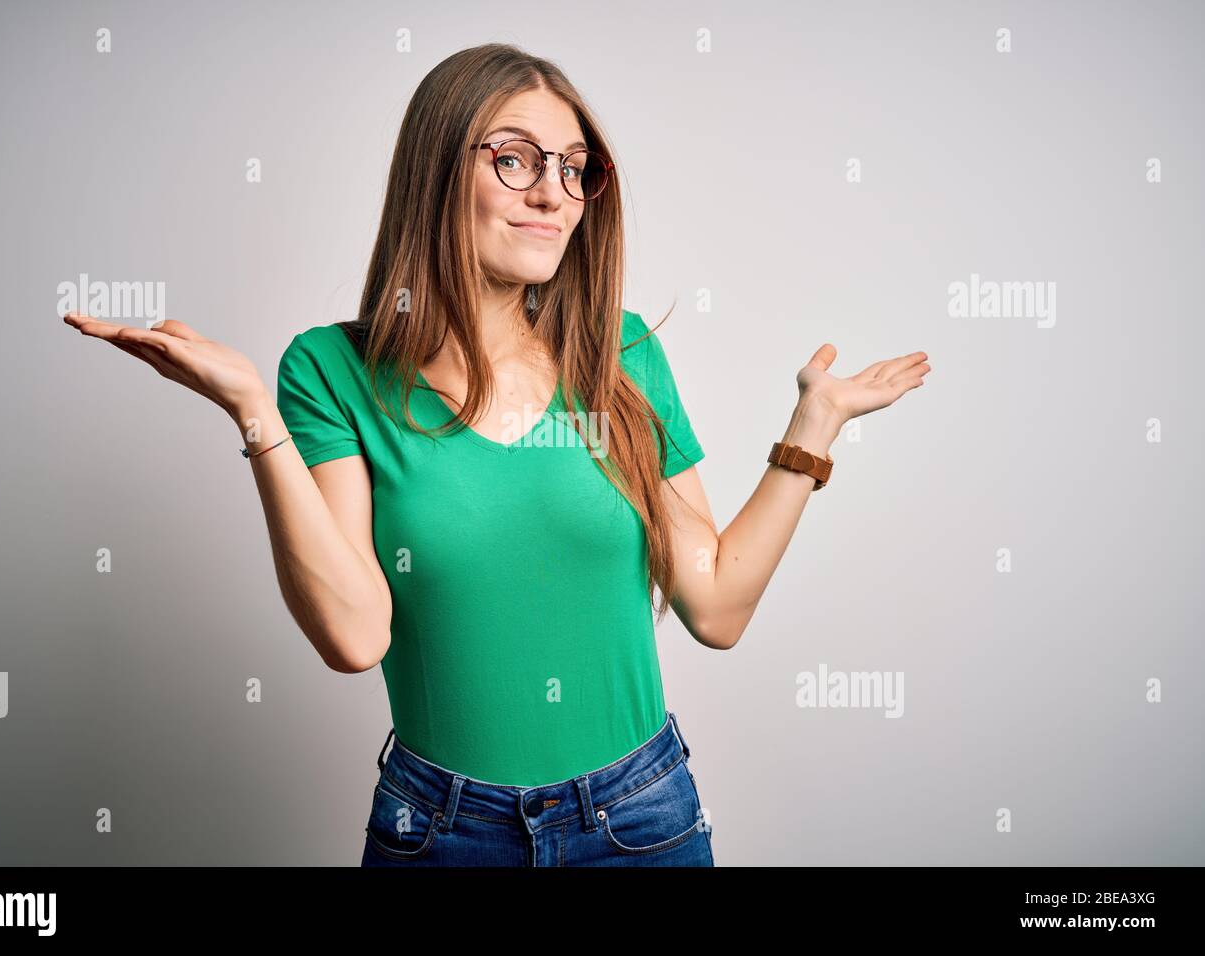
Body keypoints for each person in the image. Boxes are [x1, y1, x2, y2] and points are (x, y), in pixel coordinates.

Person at [64, 43, 930, 867]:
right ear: (438, 173)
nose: (553, 193)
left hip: (639, 818)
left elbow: (717, 606)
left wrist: (813, 430)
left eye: (572, 167)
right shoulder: (331, 372)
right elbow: (356, 634)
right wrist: (254, 412)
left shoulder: (618, 358)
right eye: (515, 159)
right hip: (439, 828)